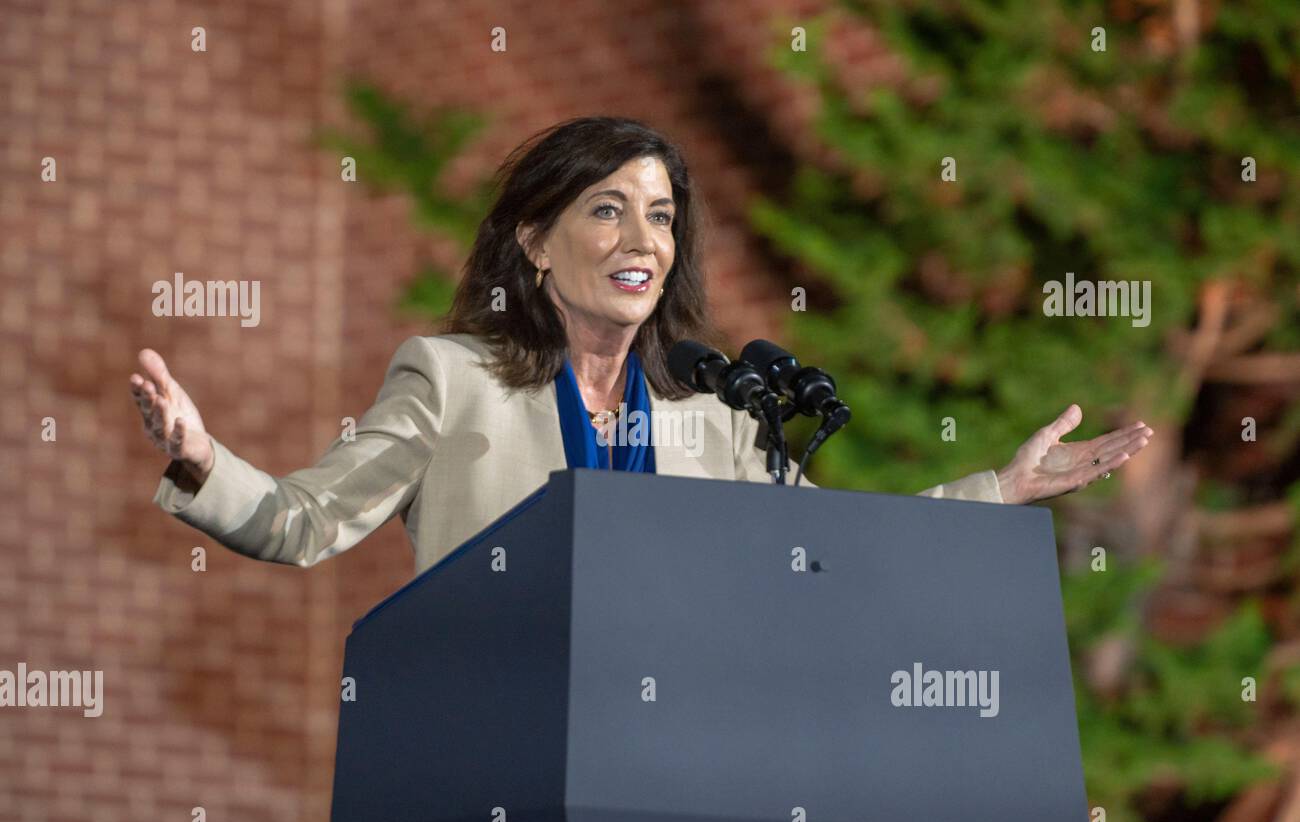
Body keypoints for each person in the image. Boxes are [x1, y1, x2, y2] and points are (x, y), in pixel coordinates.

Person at [129, 116, 1153, 575]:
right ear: (534, 239)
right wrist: (202, 461)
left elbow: (830, 558)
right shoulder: (451, 381)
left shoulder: (715, 413)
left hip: (670, 773)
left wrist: (996, 494)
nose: (641, 241)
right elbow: (305, 525)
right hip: (500, 757)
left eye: (661, 217)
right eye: (607, 210)